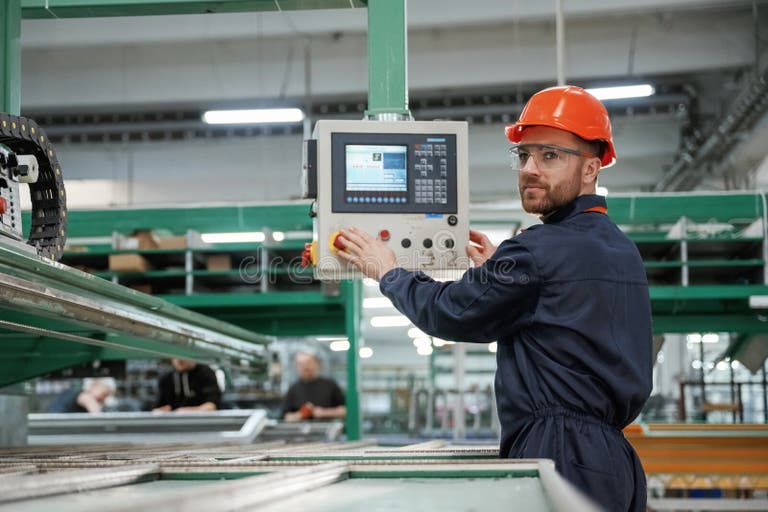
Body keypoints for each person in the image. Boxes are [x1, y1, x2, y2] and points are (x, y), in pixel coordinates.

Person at [336, 85, 652, 511]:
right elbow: (558, 319)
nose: (530, 169)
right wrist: (500, 276)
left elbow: (451, 313)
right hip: (615, 463)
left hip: (563, 455)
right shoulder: (620, 249)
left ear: (592, 168)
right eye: (524, 156)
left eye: (550, 156)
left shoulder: (538, 250)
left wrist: (390, 272)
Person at [281, 351, 346, 422]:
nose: (305, 367)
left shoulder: (330, 385)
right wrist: (301, 414)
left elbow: (345, 410)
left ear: (317, 364)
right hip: (300, 431)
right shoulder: (293, 388)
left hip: (327, 429)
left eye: (308, 362)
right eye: (300, 364)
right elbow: (286, 417)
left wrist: (324, 413)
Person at [153, 358, 222, 412]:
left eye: (181, 355)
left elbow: (211, 406)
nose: (179, 360)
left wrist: (186, 412)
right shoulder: (166, 378)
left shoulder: (206, 373)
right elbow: (160, 407)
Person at [48, 377, 116, 414]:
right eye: (104, 394)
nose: (103, 398)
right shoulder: (85, 396)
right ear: (94, 386)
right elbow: (96, 413)